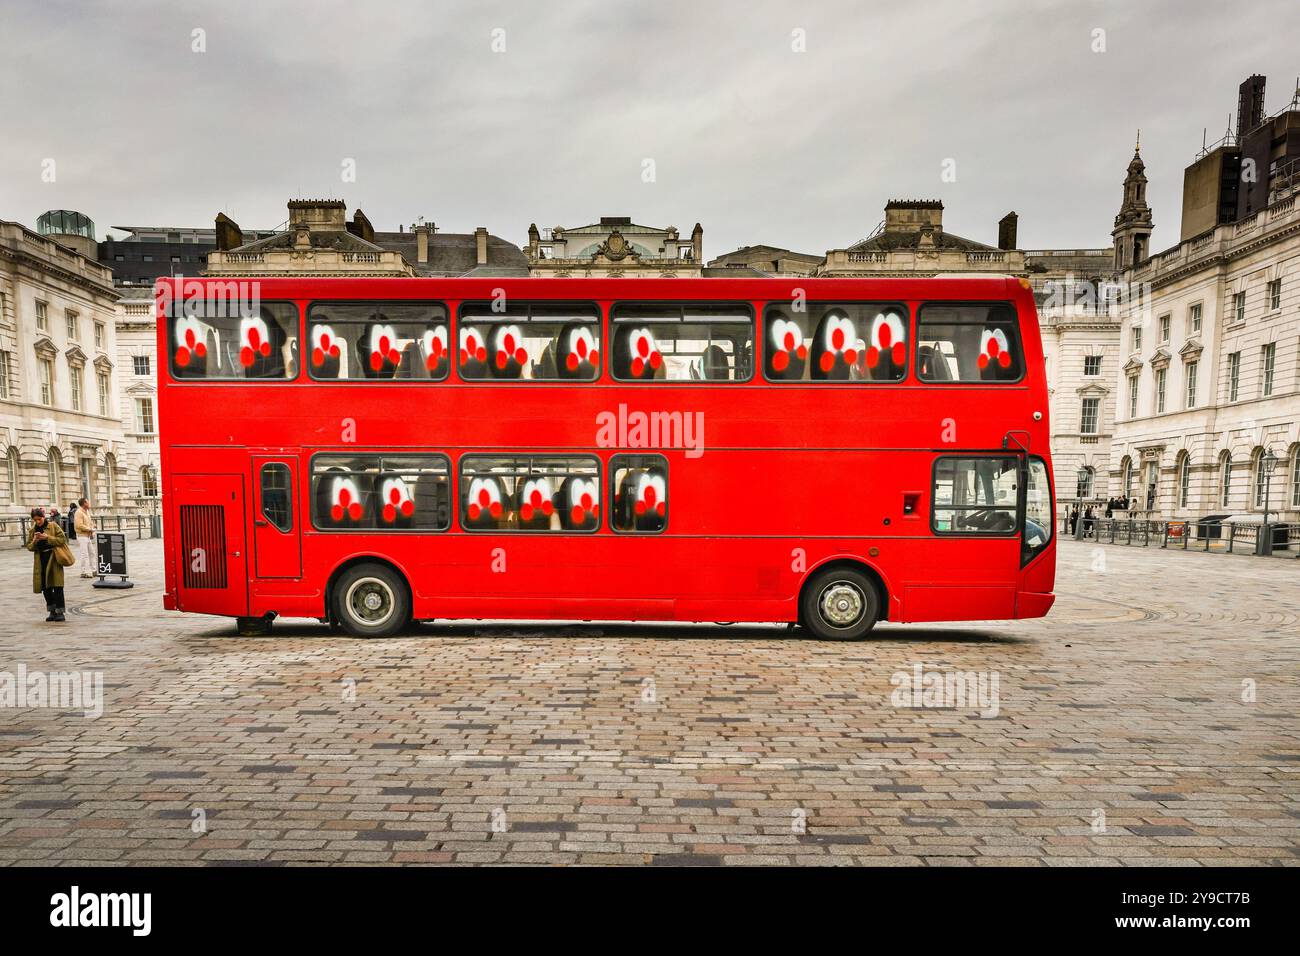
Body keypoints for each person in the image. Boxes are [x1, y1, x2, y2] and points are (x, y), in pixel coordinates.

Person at [26, 507, 67, 622]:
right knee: (45, 586)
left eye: (39, 519)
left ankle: (60, 612)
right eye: (35, 520)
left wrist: (47, 537)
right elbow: (29, 547)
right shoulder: (33, 530)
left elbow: (62, 539)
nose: (38, 522)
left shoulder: (53, 526)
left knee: (57, 586)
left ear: (43, 517)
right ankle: (52, 611)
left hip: (54, 558)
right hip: (41, 560)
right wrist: (34, 541)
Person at [74, 496, 96, 578]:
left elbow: (90, 522)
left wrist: (92, 529)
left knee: (92, 553)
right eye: (87, 502)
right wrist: (90, 529)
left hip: (87, 535)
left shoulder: (87, 512)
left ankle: (94, 570)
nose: (89, 503)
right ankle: (83, 572)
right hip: (81, 535)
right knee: (84, 554)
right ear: (84, 503)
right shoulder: (78, 512)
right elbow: (79, 525)